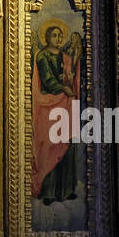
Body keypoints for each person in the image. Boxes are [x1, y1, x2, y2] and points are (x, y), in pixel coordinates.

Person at [32, 24, 82, 204]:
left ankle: (65, 190)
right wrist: (62, 88)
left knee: (67, 146)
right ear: (47, 37)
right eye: (54, 35)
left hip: (65, 105)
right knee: (49, 147)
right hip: (48, 107)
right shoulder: (43, 56)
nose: (58, 39)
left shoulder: (65, 57)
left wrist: (75, 60)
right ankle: (48, 191)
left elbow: (70, 76)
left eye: (60, 36)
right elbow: (47, 79)